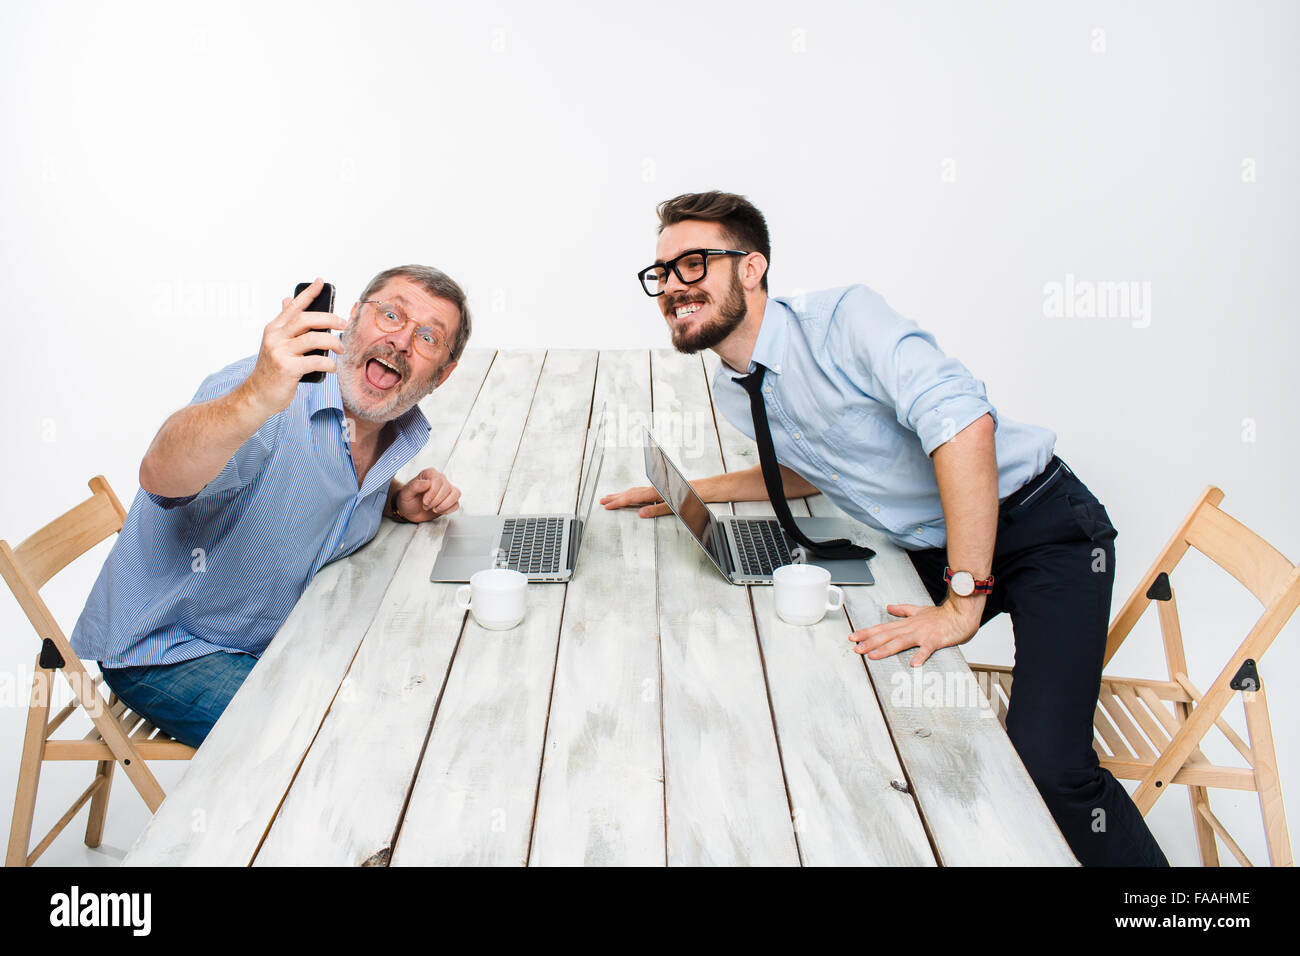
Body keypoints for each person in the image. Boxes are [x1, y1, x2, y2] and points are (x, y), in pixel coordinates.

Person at [601, 191, 1168, 867]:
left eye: (691, 265)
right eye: (661, 273)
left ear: (749, 269)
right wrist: (696, 494)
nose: (671, 286)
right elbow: (810, 465)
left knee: (1050, 768)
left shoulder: (844, 320)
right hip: (935, 550)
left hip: (1042, 530)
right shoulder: (732, 384)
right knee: (831, 690)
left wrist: (964, 601)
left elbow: (964, 426)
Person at [70, 265, 471, 748]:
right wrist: (256, 395)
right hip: (170, 649)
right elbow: (162, 475)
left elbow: (325, 491)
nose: (402, 341)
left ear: (443, 375)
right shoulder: (261, 399)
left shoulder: (387, 432)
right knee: (332, 745)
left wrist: (394, 500)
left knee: (416, 696)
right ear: (352, 318)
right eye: (391, 314)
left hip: (277, 641)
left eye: (427, 337)